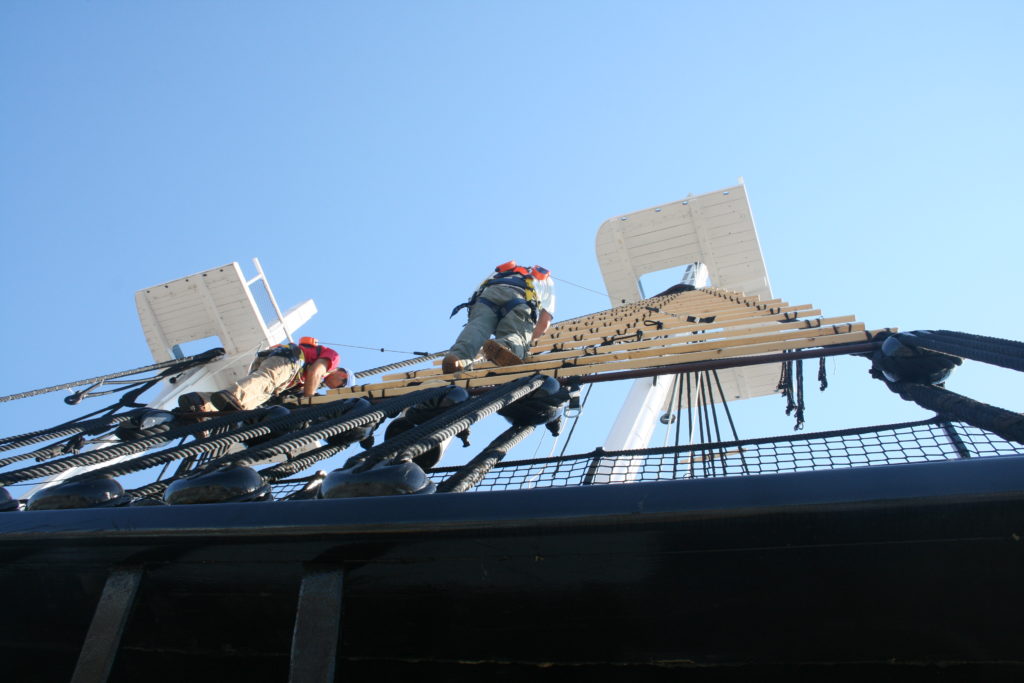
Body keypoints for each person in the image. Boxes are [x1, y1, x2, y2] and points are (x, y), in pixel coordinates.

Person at [178, 336, 354, 412]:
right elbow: (316, 371)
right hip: (287, 362)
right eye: (339, 386)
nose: (333, 387)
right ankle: (231, 396)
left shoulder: (307, 381)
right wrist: (309, 398)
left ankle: (201, 402)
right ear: (343, 376)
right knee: (264, 383)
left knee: (255, 399)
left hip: (276, 366)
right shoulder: (333, 359)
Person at [443, 261, 556, 374]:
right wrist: (528, 340)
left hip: (487, 297)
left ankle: (457, 358)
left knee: (476, 328)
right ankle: (506, 347)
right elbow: (545, 321)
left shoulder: (502, 272)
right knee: (516, 334)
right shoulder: (546, 280)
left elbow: (476, 295)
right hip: (520, 299)